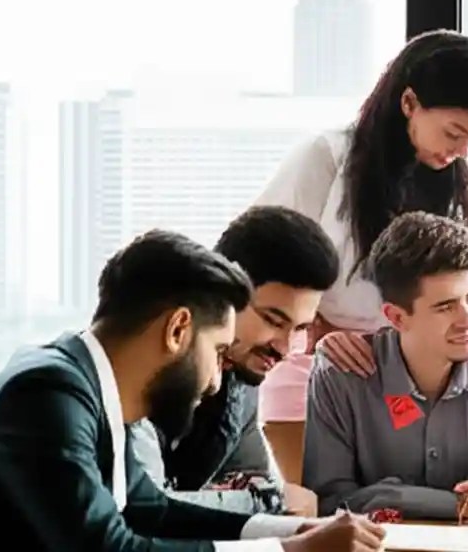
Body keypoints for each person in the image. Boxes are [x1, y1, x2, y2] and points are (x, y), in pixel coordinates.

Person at [0, 229, 383, 551]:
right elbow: (106, 548)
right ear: (178, 330)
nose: (213, 380)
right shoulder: (45, 394)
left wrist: (295, 533)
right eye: (216, 351)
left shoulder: (88, 389)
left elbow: (149, 509)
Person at [253, 30, 468, 483]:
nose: (463, 151)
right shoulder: (327, 158)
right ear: (409, 103)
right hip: (311, 357)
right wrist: (319, 329)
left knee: (398, 511)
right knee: (321, 511)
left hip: (404, 366)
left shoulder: (457, 185)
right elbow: (257, 260)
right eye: (454, 132)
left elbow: (460, 288)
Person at [302, 211, 468, 520]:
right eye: (445, 307)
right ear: (396, 317)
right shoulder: (340, 376)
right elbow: (329, 503)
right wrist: (453, 505)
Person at [129, 206, 339, 517]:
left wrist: (275, 500)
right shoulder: (142, 364)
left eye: (300, 329)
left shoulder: (242, 382)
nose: (285, 348)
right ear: (224, 288)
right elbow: (147, 507)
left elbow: (266, 488)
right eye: (273, 320)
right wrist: (269, 500)